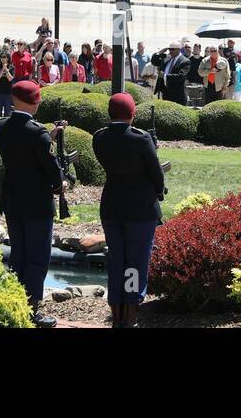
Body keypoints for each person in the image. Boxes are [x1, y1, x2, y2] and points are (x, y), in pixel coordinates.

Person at [0, 81, 66, 328]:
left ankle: (15, 305)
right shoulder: (38, 133)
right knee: (37, 258)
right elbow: (50, 168)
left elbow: (25, 149)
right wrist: (60, 186)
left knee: (19, 254)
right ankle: (31, 310)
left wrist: (49, 137)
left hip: (13, 199)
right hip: (37, 203)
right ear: (33, 102)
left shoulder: (2, 126)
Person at [93, 93, 165, 328]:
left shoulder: (99, 138)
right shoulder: (141, 139)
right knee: (135, 263)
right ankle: (130, 314)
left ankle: (117, 315)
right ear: (132, 114)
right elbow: (156, 175)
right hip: (140, 209)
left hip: (112, 206)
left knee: (117, 261)